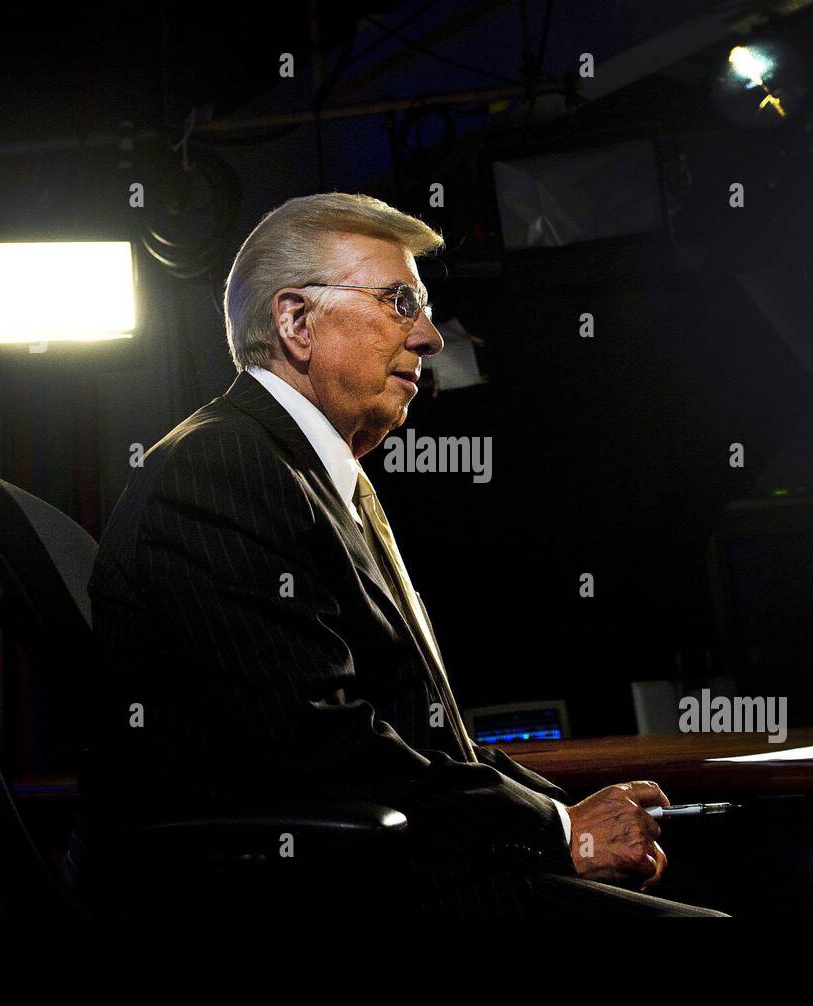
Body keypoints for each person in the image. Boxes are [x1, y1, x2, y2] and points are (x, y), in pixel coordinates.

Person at [66, 192, 727, 919]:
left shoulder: (313, 476)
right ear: (295, 321)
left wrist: (568, 814)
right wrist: (564, 831)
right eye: (398, 300)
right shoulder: (224, 467)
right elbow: (322, 751)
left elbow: (425, 738)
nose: (431, 336)